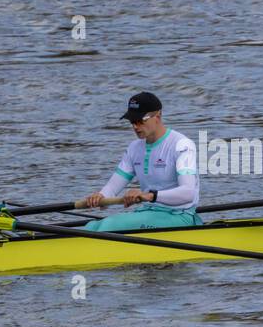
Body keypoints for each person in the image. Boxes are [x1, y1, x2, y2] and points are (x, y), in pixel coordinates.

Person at [79, 92, 202, 232]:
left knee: (108, 225)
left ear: (158, 116)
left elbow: (188, 193)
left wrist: (149, 195)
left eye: (140, 120)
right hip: (147, 212)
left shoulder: (182, 144)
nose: (135, 127)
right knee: (92, 226)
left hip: (178, 216)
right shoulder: (134, 148)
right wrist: (101, 196)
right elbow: (112, 188)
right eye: (132, 121)